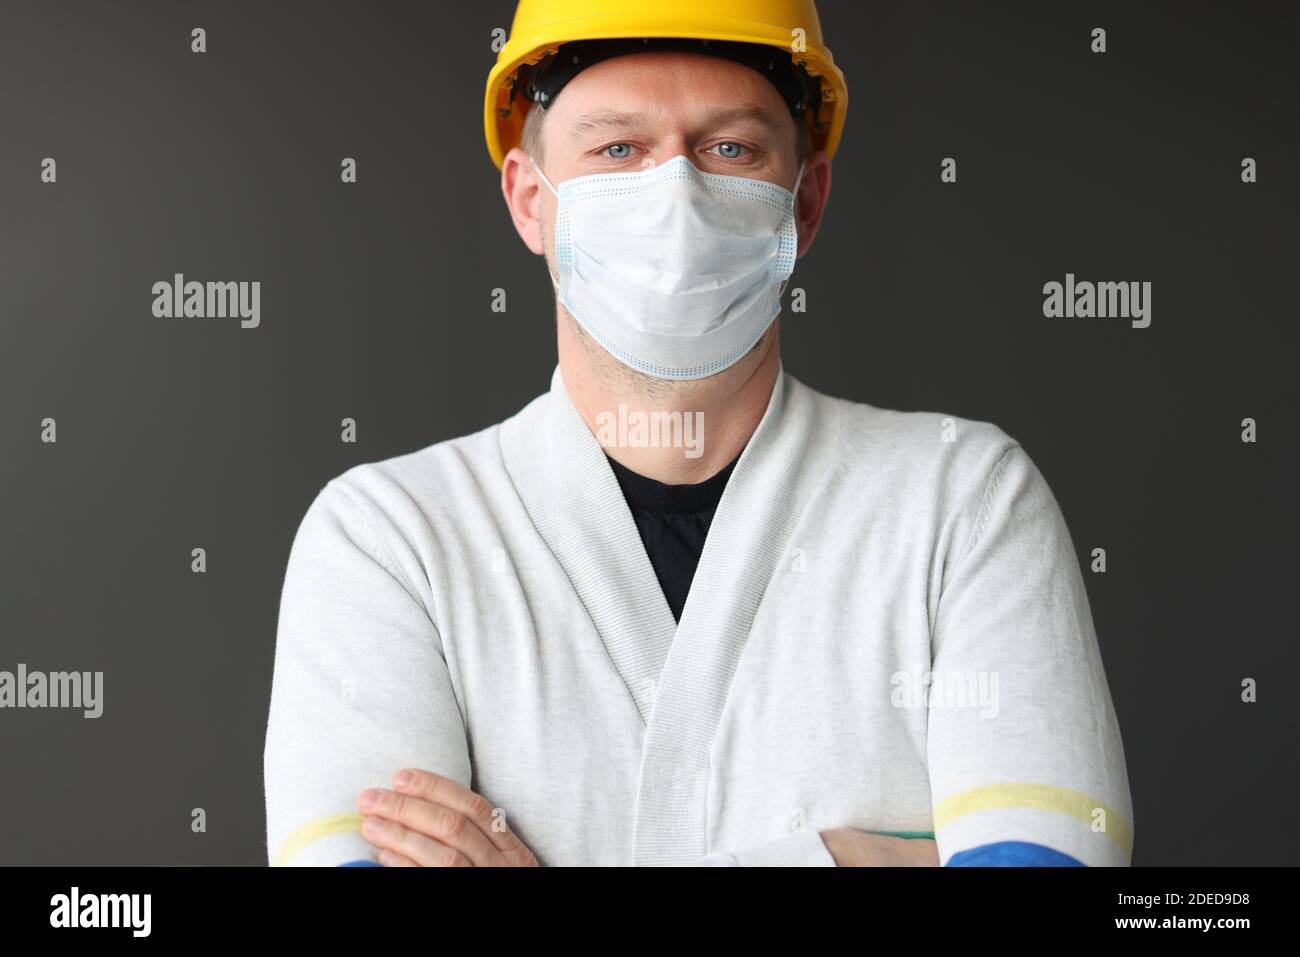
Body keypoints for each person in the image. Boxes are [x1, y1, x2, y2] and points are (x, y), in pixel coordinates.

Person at [263, 0, 1134, 867]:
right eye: (617, 150)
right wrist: (844, 859)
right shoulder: (387, 540)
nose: (674, 191)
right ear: (531, 202)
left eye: (729, 149)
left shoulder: (963, 502)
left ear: (806, 203)